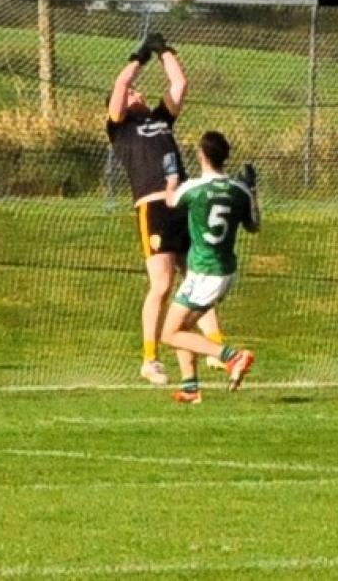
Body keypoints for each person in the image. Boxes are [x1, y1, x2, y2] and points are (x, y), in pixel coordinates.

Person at [106, 32, 224, 386]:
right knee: (162, 284)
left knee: (197, 278)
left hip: (181, 205)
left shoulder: (159, 119)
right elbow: (122, 81)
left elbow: (180, 83)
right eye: (131, 95)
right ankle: (150, 359)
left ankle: (216, 347)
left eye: (136, 93)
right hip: (153, 209)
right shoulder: (120, 127)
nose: (135, 92)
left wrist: (164, 50)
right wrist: (140, 55)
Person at [161, 131, 258, 404]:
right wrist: (252, 192)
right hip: (223, 271)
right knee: (183, 331)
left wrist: (170, 177)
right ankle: (190, 388)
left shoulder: (194, 188)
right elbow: (254, 226)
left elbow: (170, 201)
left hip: (205, 272)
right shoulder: (239, 190)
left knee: (170, 334)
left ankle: (232, 357)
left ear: (201, 155)